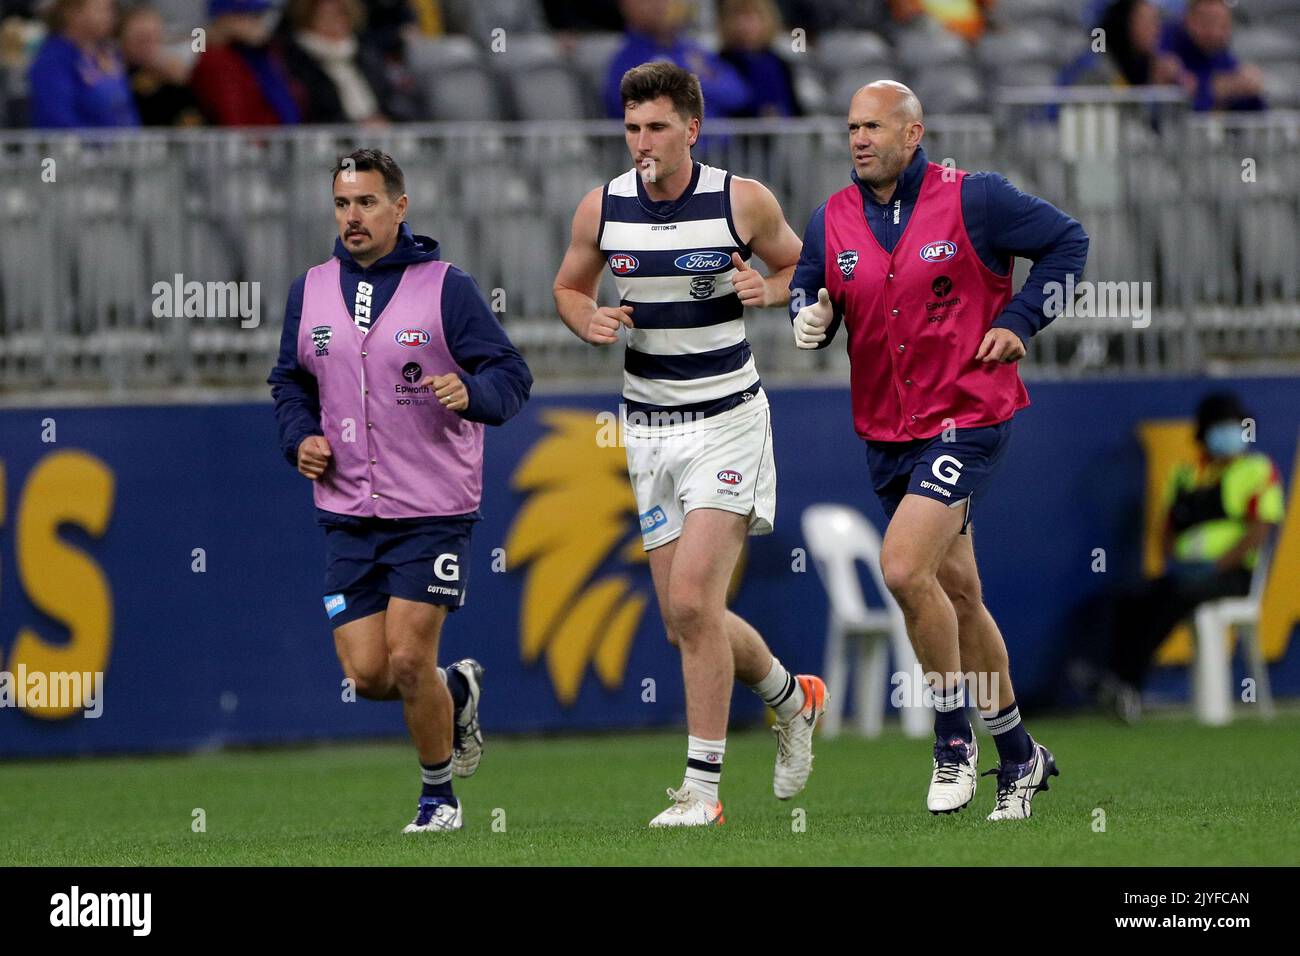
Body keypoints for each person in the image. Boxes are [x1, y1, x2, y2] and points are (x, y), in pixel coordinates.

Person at [790, 80, 1088, 820]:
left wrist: (1022, 318)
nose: (858, 139)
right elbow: (807, 284)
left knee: (900, 566)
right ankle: (1020, 755)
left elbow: (1068, 243)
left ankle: (953, 740)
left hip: (966, 417)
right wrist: (810, 313)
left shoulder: (974, 199)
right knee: (957, 595)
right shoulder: (832, 216)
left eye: (873, 127)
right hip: (887, 431)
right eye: (851, 126)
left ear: (913, 133)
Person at [553, 60, 824, 827]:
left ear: (692, 130)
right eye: (633, 127)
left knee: (693, 599)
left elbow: (808, 270)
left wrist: (768, 291)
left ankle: (701, 793)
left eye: (657, 127)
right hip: (647, 427)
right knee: (684, 619)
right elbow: (569, 286)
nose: (642, 141)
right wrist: (589, 320)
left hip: (727, 420)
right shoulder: (601, 208)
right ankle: (789, 697)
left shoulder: (741, 200)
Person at [267, 148, 533, 832]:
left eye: (367, 202)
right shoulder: (311, 289)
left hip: (433, 509)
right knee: (369, 676)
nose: (353, 217)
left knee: (411, 656)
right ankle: (457, 690)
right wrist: (300, 439)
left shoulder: (446, 286)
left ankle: (438, 799)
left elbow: (510, 374)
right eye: (342, 204)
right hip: (347, 512)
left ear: (399, 207)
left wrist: (470, 391)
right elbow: (289, 381)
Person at [1082, 392, 1285, 722]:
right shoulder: (1186, 475)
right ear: (1204, 433)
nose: (1230, 434)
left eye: (1235, 426)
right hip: (1188, 572)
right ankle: (1118, 682)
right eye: (1221, 427)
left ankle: (1130, 683)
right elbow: (1168, 530)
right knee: (1136, 597)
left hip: (1232, 575)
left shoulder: (1258, 470)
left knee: (1173, 597)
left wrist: (1216, 565)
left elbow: (1259, 531)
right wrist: (1180, 560)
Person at [603, 0, 751, 119]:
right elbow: (625, 106)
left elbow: (738, 95)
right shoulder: (627, 58)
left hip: (719, 151)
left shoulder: (694, 50)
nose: (662, 5)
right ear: (627, 5)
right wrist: (702, 77)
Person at [27, 0, 141, 128]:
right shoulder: (53, 60)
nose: (110, 16)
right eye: (102, 9)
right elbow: (56, 120)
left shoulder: (109, 52)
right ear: (72, 12)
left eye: (111, 9)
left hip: (125, 145)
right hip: (79, 146)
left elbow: (126, 109)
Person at [190, 0, 301, 126]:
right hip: (251, 143)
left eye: (259, 15)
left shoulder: (254, 55)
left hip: (275, 140)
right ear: (225, 18)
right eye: (251, 15)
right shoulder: (216, 61)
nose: (259, 23)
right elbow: (236, 123)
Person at [279, 0, 389, 124]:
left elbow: (389, 97)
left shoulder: (364, 53)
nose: (333, 21)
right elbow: (312, 107)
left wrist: (388, 119)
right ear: (309, 18)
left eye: (340, 14)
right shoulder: (297, 59)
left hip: (381, 134)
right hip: (327, 137)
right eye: (324, 15)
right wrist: (356, 126)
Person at [1059, 0, 1190, 90]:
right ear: (1125, 25)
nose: (1157, 30)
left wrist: (1161, 86)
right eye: (1149, 22)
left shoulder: (1149, 65)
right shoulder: (1097, 70)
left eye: (1157, 21)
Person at [1161, 0, 1265, 111]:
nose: (1215, 32)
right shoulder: (1165, 43)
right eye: (1207, 23)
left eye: (1223, 25)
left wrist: (1248, 88)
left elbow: (1253, 110)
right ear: (1188, 19)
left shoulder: (1220, 52)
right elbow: (1181, 109)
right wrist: (1211, 91)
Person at [118, 3, 204, 126]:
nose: (147, 46)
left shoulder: (173, 79)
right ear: (122, 39)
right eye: (141, 39)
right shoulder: (113, 75)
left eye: (153, 38)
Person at [717, 0, 801, 118]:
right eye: (738, 18)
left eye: (751, 18)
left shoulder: (779, 63)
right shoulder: (721, 62)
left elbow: (795, 106)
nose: (744, 25)